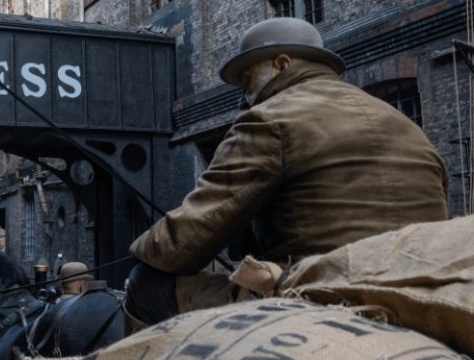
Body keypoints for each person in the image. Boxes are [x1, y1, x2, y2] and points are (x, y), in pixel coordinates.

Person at [124, 17, 450, 329]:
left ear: (282, 64)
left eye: (248, 81)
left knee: (146, 283)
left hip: (326, 301)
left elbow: (186, 240)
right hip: (423, 299)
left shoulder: (268, 118)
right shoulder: (404, 124)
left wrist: (141, 250)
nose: (244, 99)